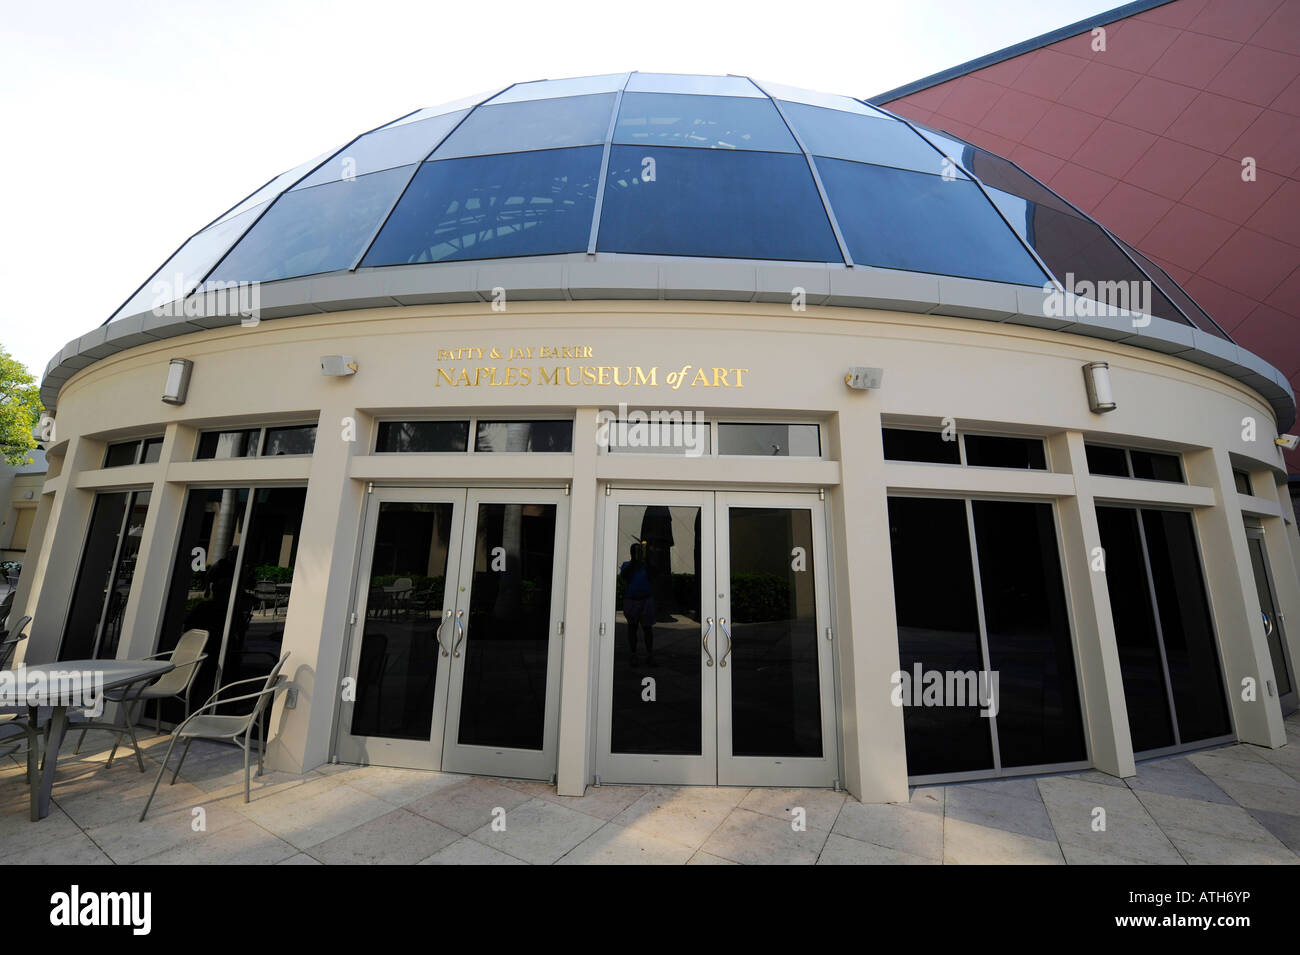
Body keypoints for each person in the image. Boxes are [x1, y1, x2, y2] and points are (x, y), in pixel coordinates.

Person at [620, 542, 656, 666]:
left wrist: (648, 559)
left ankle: (650, 655)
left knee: (647, 629)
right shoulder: (627, 565)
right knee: (632, 628)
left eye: (640, 552)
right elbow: (625, 576)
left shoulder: (646, 566)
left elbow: (654, 575)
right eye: (636, 552)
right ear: (631, 553)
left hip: (646, 600)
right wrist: (634, 562)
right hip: (632, 600)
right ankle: (633, 654)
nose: (638, 554)